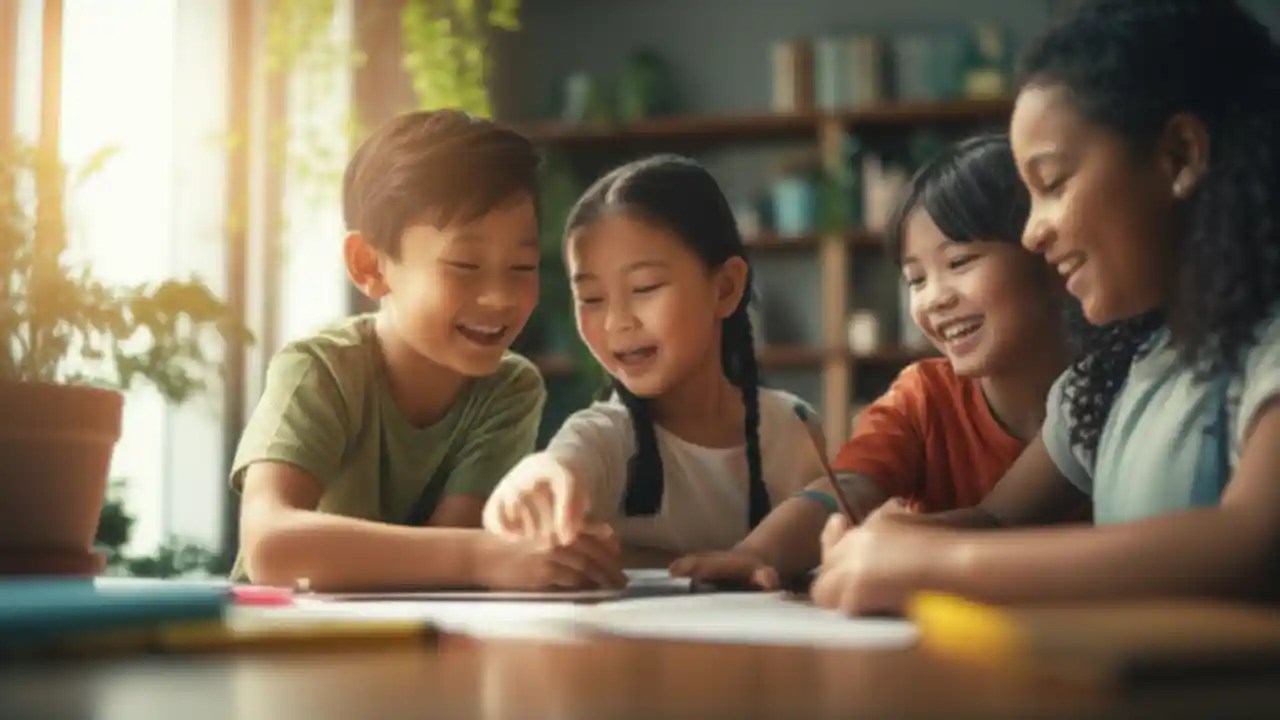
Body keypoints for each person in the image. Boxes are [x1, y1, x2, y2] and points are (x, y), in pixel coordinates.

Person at [814, 0, 1280, 615]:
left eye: (1053, 183)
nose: (1032, 233)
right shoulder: (1113, 374)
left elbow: (1253, 542)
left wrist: (934, 565)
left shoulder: (1264, 347)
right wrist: (892, 541)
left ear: (1179, 156)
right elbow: (997, 521)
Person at [233, 110, 624, 592]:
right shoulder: (320, 370)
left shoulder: (509, 387)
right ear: (369, 265)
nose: (500, 297)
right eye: (464, 265)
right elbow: (270, 545)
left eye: (522, 267)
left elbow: (450, 550)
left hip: (412, 628)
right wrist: (486, 557)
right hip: (281, 632)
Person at [672, 135, 1072, 589]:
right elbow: (848, 488)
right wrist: (756, 554)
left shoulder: (1109, 392)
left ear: (1047, 251)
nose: (935, 299)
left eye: (959, 262)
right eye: (916, 279)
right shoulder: (923, 398)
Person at [483, 155, 826, 565]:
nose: (617, 321)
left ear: (725, 288)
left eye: (644, 287)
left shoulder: (794, 427)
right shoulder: (605, 437)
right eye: (590, 298)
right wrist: (535, 480)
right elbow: (563, 464)